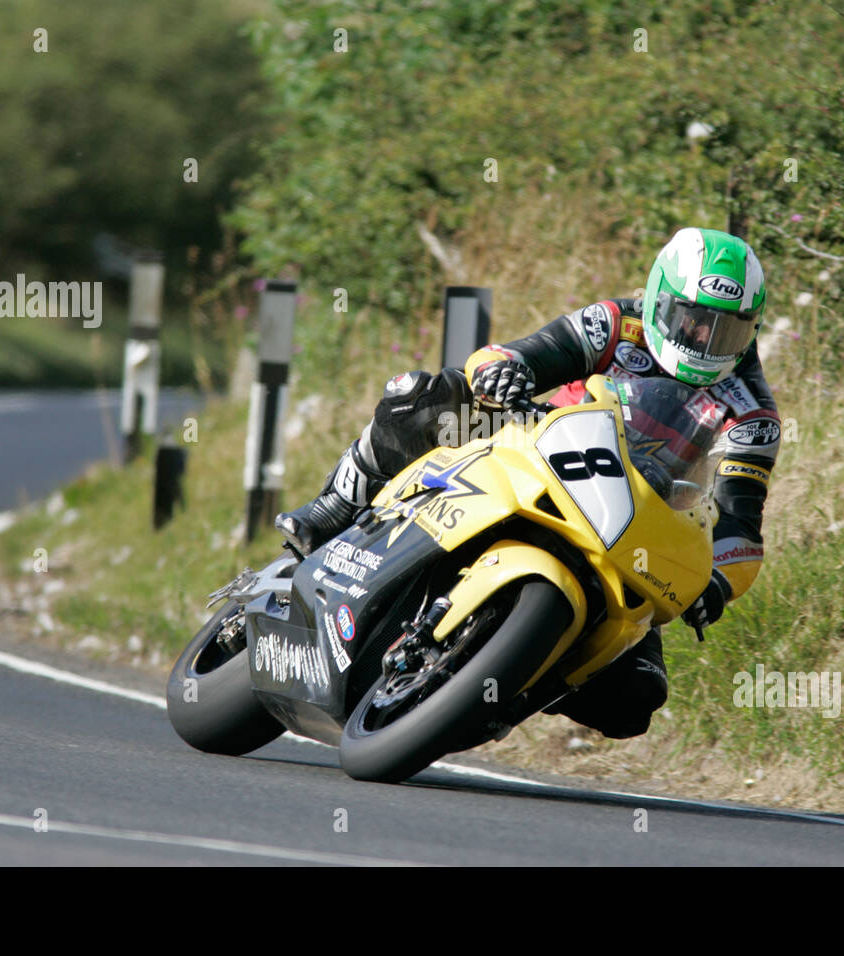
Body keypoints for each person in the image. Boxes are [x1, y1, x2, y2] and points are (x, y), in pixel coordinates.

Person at [276, 227, 781, 739]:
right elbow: (515, 354)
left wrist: (714, 583)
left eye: (726, 332)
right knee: (423, 397)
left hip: (630, 536)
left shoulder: (752, 414)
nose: (703, 340)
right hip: (537, 447)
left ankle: (510, 674)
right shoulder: (613, 323)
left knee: (636, 699)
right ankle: (334, 506)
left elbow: (740, 531)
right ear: (659, 299)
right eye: (693, 320)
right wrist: (502, 373)